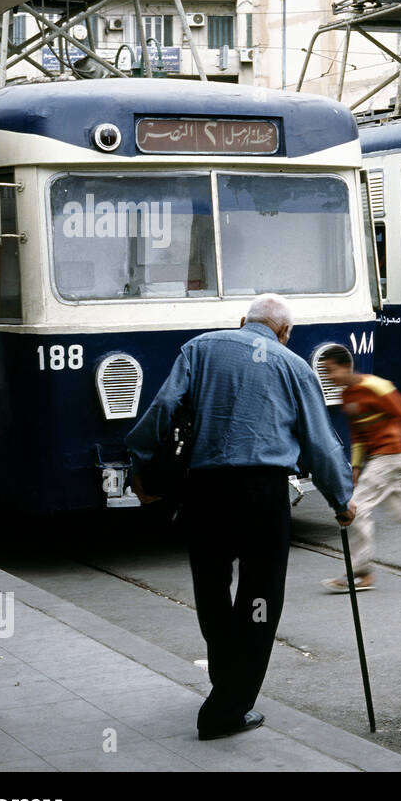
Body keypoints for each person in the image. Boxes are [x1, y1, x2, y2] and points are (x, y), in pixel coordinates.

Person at [128, 294, 356, 741]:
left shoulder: (199, 348)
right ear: (284, 332)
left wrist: (140, 467)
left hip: (204, 490)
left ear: (241, 321)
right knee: (260, 597)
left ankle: (224, 684)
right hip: (261, 495)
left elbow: (161, 410)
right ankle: (227, 707)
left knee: (211, 588)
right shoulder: (294, 366)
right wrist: (340, 499)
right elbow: (320, 443)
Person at [318, 345, 401, 593]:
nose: (329, 377)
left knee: (355, 507)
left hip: (390, 455)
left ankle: (361, 572)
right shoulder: (348, 396)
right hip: (380, 457)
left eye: (330, 371)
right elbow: (358, 435)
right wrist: (356, 466)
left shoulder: (376, 386)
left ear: (346, 366)